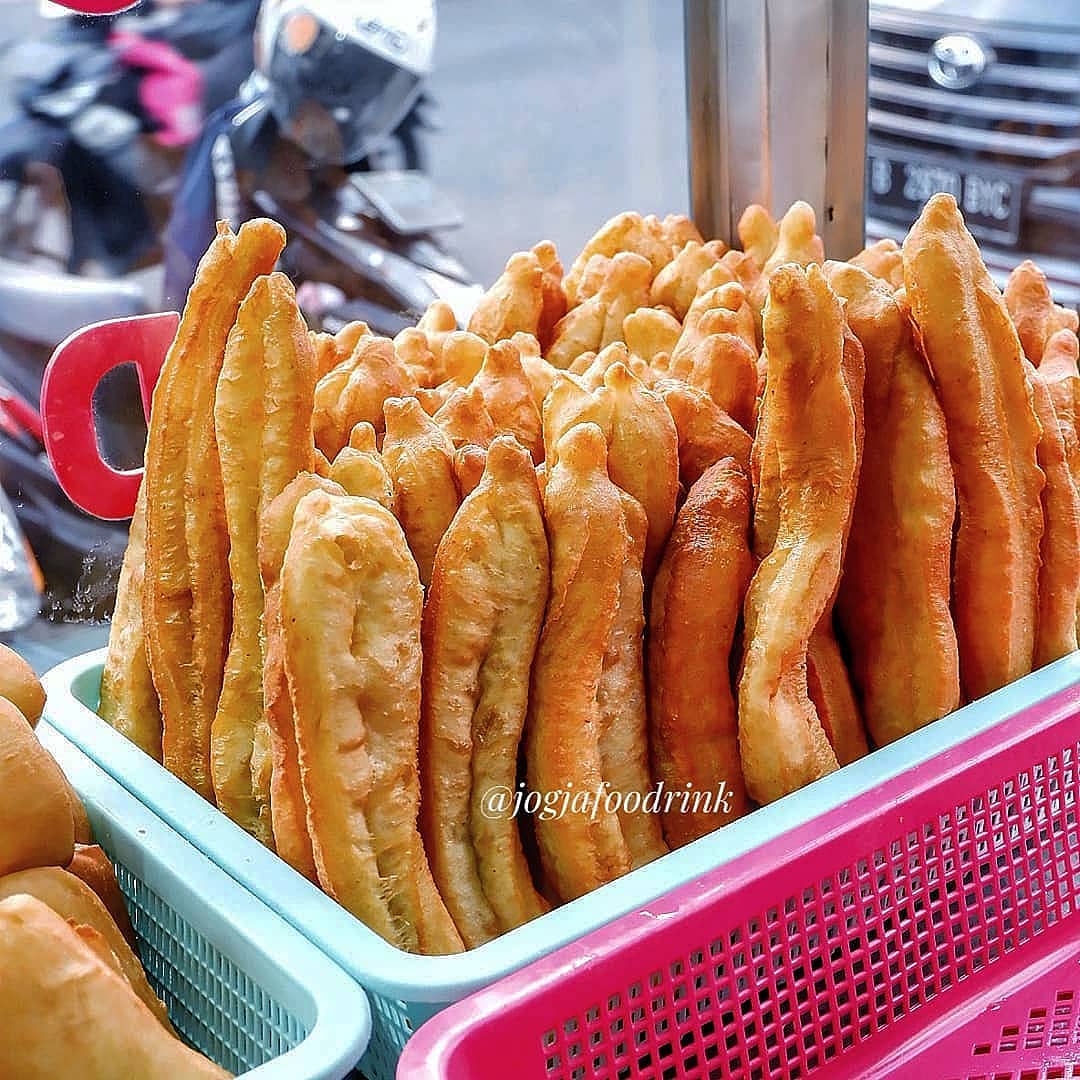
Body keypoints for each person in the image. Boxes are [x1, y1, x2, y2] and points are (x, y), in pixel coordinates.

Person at [163, 0, 436, 309]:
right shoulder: (237, 137)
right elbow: (195, 277)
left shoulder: (366, 142)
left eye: (367, 86)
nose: (341, 109)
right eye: (331, 82)